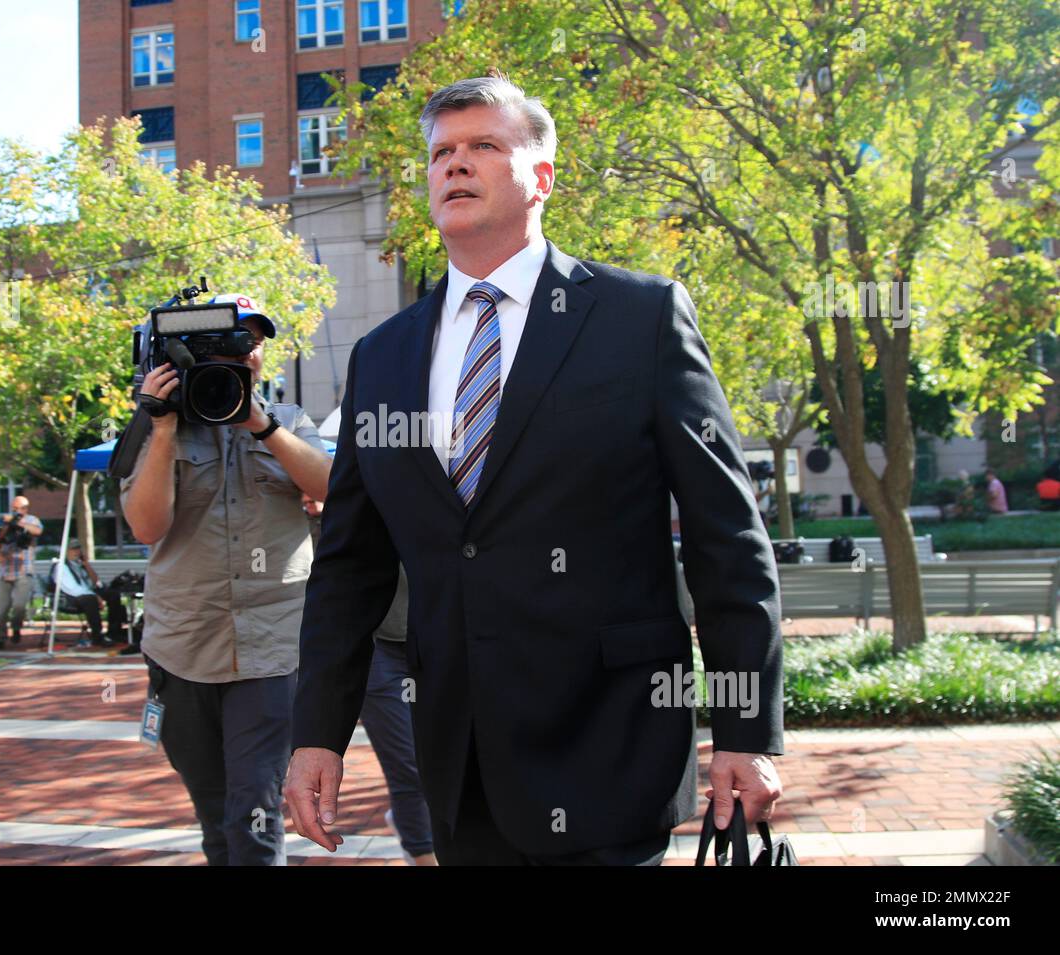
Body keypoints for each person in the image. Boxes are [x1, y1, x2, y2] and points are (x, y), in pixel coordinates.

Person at [284, 76, 784, 865]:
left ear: (541, 177)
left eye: (483, 145)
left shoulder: (640, 318)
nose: (455, 164)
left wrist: (745, 732)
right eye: (441, 152)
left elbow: (728, 539)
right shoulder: (382, 358)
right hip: (461, 762)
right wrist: (316, 733)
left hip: (610, 748)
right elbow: (349, 567)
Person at [121, 292, 332, 866]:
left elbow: (334, 488)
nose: (245, 353)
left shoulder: (287, 422)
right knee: (215, 814)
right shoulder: (150, 429)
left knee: (255, 809)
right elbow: (146, 525)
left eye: (252, 343)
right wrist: (162, 430)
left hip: (272, 651)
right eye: (228, 342)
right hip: (183, 649)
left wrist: (260, 423)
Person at [301, 491, 436, 865]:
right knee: (410, 765)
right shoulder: (370, 454)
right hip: (377, 643)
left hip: (442, 637)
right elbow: (332, 573)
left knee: (450, 758)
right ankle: (422, 852)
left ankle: (421, 830)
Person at [53, 539, 128, 649]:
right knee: (90, 599)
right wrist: (95, 596)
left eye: (78, 549)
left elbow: (96, 582)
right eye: (73, 549)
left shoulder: (79, 565)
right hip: (71, 597)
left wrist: (86, 565)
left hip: (86, 592)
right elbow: (72, 588)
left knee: (113, 594)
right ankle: (97, 635)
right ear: (65, 551)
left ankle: (114, 630)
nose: (77, 552)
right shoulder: (61, 567)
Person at [0, 495, 43, 649]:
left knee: (20, 606)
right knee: (2, 608)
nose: (15, 511)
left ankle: (16, 627)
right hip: (4, 571)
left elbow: (37, 531)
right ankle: (0, 639)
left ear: (26, 509)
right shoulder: (3, 522)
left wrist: (17, 522)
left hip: (23, 570)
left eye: (19, 508)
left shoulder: (32, 520)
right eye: (13, 508)